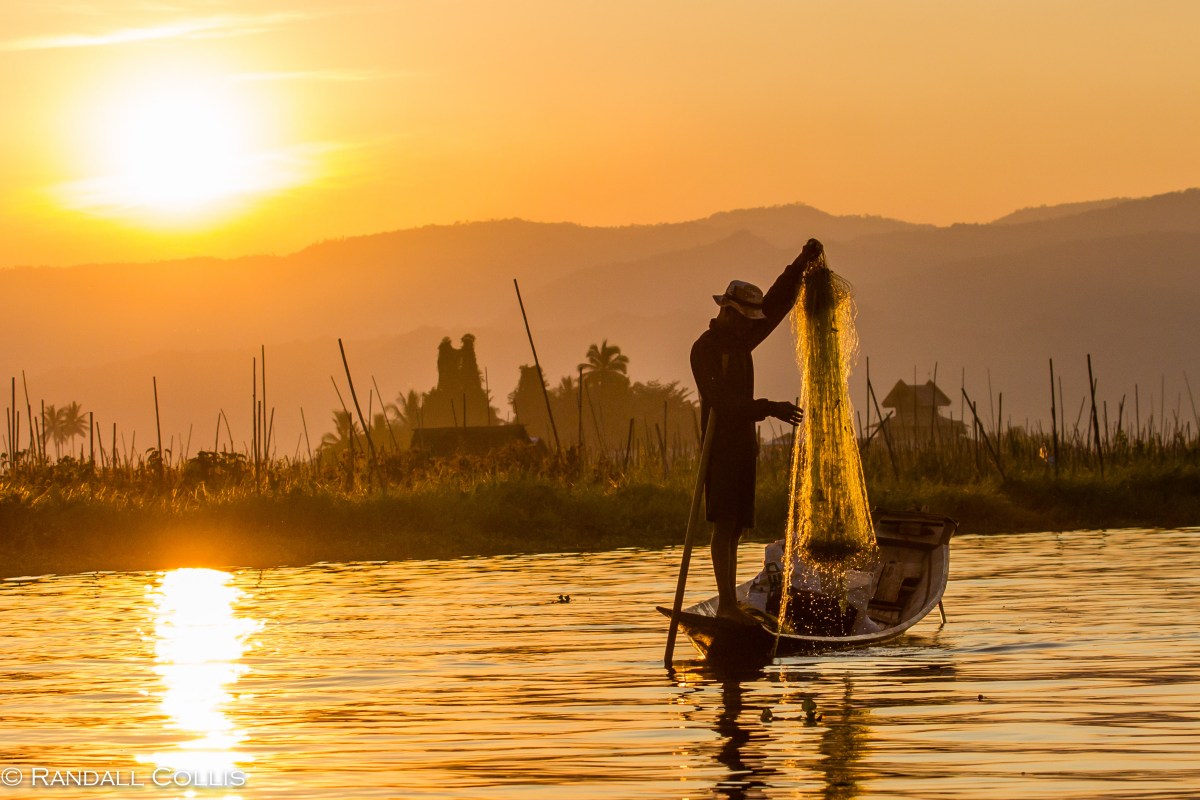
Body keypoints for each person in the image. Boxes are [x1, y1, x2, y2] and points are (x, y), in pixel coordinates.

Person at [690, 238, 824, 624]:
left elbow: (777, 305)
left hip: (744, 447)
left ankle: (729, 603)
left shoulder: (742, 339)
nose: (752, 325)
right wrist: (770, 409)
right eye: (745, 318)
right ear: (729, 313)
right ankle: (727, 606)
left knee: (736, 529)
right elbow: (723, 403)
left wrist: (800, 263)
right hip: (719, 448)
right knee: (724, 524)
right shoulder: (707, 349)